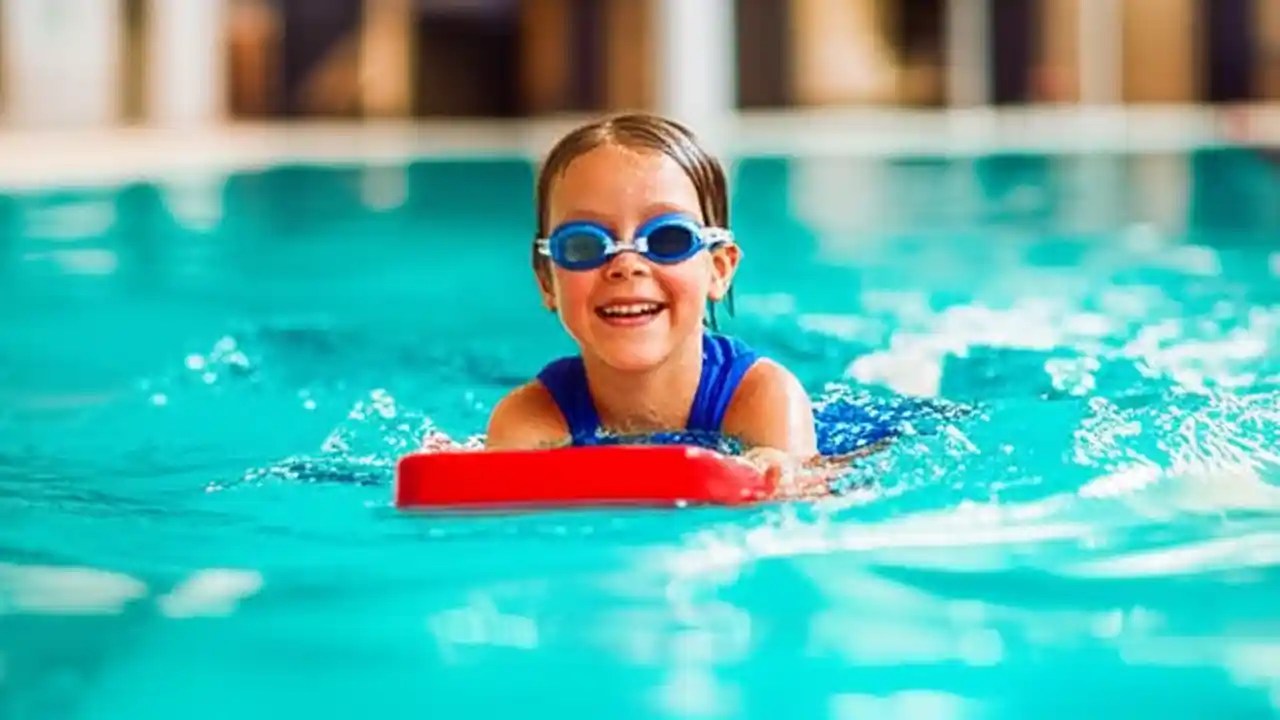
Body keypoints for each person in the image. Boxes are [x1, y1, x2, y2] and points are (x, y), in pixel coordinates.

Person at [483, 112, 823, 491]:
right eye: (584, 244)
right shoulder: (530, 417)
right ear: (546, 280)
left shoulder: (764, 398)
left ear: (719, 269)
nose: (626, 266)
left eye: (668, 239)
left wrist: (777, 473)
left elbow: (800, 501)